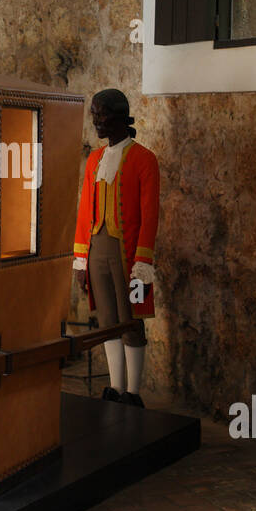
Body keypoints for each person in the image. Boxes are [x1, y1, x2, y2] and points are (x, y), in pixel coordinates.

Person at [73, 89, 160, 406]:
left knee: (131, 319)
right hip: (96, 248)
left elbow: (150, 216)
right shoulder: (94, 160)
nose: (95, 120)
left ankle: (133, 392)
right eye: (94, 113)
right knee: (107, 320)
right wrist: (81, 261)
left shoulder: (144, 159)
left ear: (120, 117)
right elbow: (85, 211)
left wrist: (143, 263)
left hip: (128, 254)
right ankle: (115, 386)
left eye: (101, 114)